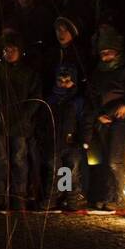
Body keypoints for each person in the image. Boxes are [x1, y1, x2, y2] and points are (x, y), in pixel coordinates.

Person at [82, 26, 125, 209]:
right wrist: (98, 115)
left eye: (109, 52)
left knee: (115, 160)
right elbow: (91, 97)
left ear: (117, 51)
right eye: (102, 53)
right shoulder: (97, 73)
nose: (105, 56)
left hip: (120, 120)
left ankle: (122, 196)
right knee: (103, 161)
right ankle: (108, 196)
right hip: (102, 121)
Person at [0, 30, 41, 211]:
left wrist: (24, 118)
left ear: (20, 51)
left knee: (19, 159)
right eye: (6, 50)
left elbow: (35, 98)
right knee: (0, 160)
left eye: (13, 50)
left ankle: (18, 196)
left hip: (20, 125)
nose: (9, 53)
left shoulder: (28, 73)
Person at [42, 62, 87, 211]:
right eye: (60, 81)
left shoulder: (77, 101)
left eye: (67, 81)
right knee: (54, 170)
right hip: (54, 141)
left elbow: (84, 121)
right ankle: (53, 198)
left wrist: (82, 139)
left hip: (71, 141)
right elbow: (43, 121)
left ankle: (71, 198)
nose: (63, 84)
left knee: (70, 170)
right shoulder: (50, 100)